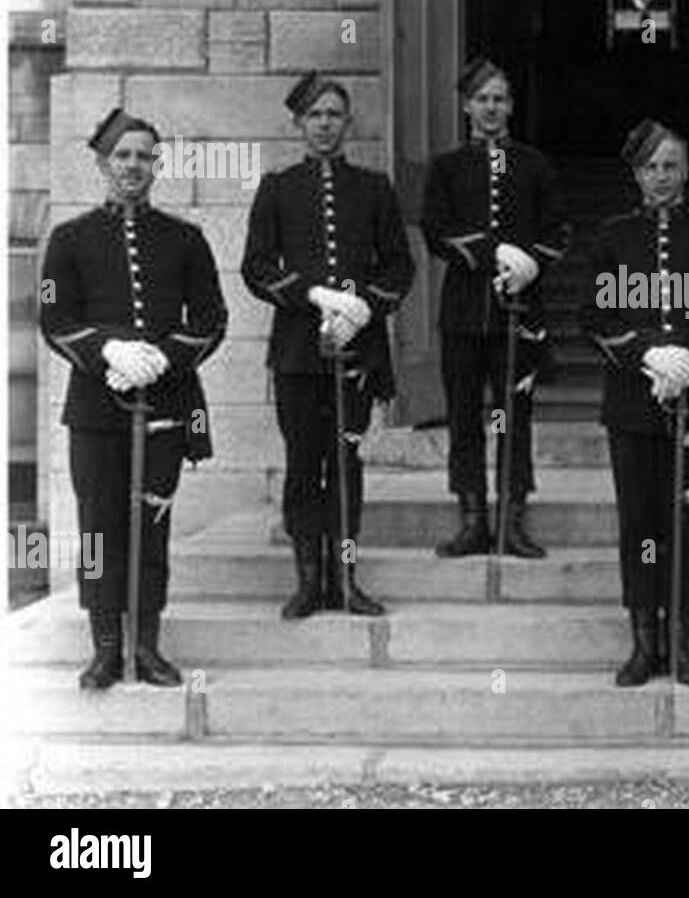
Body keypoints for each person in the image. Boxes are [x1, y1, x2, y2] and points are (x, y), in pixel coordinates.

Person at [40, 108, 227, 688]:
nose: (132, 165)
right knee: (98, 527)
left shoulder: (186, 239)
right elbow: (53, 315)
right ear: (102, 163)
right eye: (122, 155)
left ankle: (146, 645)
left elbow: (214, 317)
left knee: (152, 524)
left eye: (144, 155)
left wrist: (166, 356)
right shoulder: (68, 240)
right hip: (96, 410)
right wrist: (109, 352)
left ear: (157, 164)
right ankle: (103, 647)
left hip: (166, 406)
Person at [584, 119, 689, 687]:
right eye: (652, 167)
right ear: (636, 174)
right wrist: (648, 357)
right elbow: (598, 317)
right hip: (633, 404)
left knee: (683, 520)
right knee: (640, 524)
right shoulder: (613, 238)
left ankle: (680, 638)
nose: (662, 177)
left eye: (671, 165)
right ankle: (643, 640)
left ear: (687, 171)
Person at [242, 73, 414, 619]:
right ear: (298, 123)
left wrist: (363, 305)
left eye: (334, 114)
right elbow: (256, 267)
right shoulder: (277, 187)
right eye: (315, 115)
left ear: (348, 123)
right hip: (298, 352)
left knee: (345, 462)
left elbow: (398, 265)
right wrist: (311, 295)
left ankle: (344, 579)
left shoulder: (374, 188)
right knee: (303, 463)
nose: (324, 125)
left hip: (357, 353)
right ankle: (307, 581)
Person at [420, 58, 569, 558]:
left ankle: (511, 517)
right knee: (465, 417)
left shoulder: (533, 164)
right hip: (464, 313)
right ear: (466, 106)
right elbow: (437, 229)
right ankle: (471, 518)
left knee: (510, 416)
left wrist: (530, 265)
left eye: (500, 99)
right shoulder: (448, 167)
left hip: (519, 315)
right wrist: (491, 253)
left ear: (511, 107)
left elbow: (558, 232)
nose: (491, 108)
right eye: (482, 99)